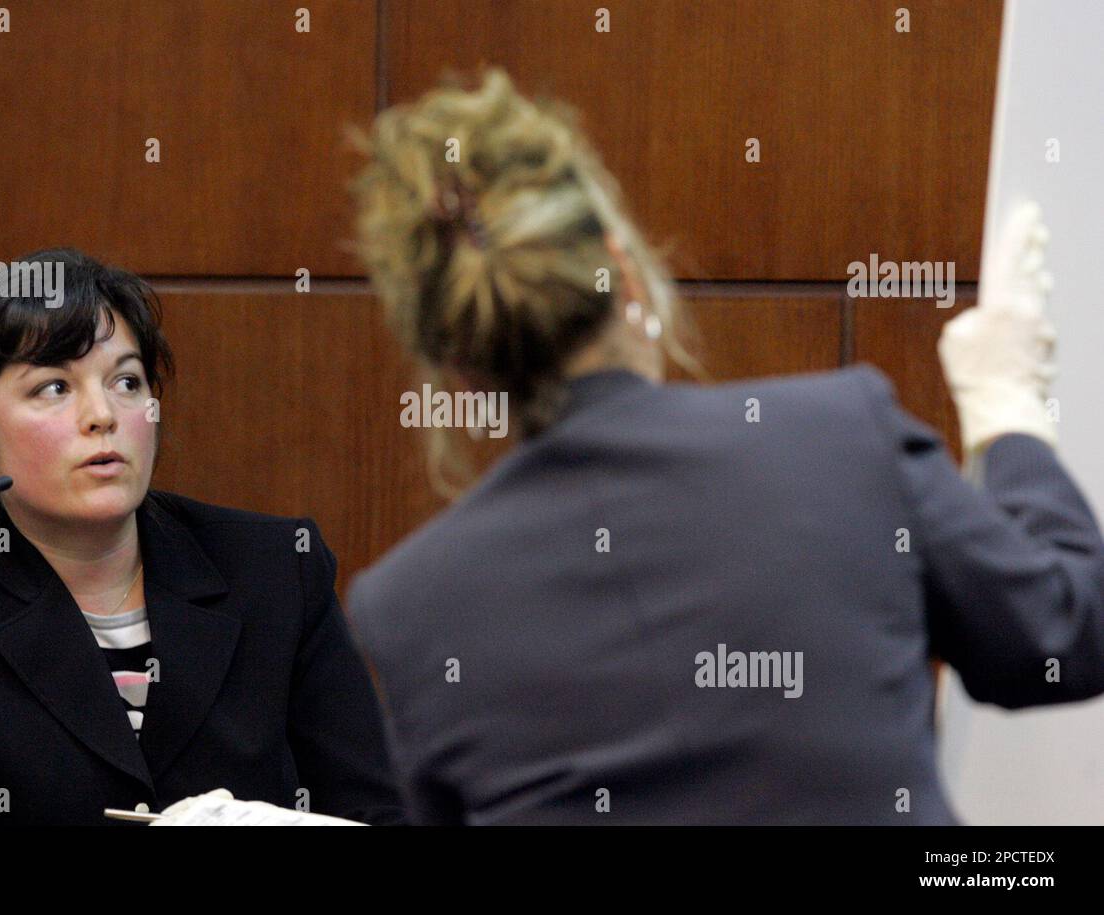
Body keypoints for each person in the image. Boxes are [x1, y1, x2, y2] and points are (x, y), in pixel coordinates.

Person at [340, 68, 1104, 824]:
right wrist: (1009, 412)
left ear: (456, 370)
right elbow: (1064, 634)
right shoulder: (841, 438)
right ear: (624, 271)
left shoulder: (410, 609)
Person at [0, 248, 404, 825]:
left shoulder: (278, 571)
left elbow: (379, 813)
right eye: (54, 387)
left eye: (127, 381)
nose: (102, 414)